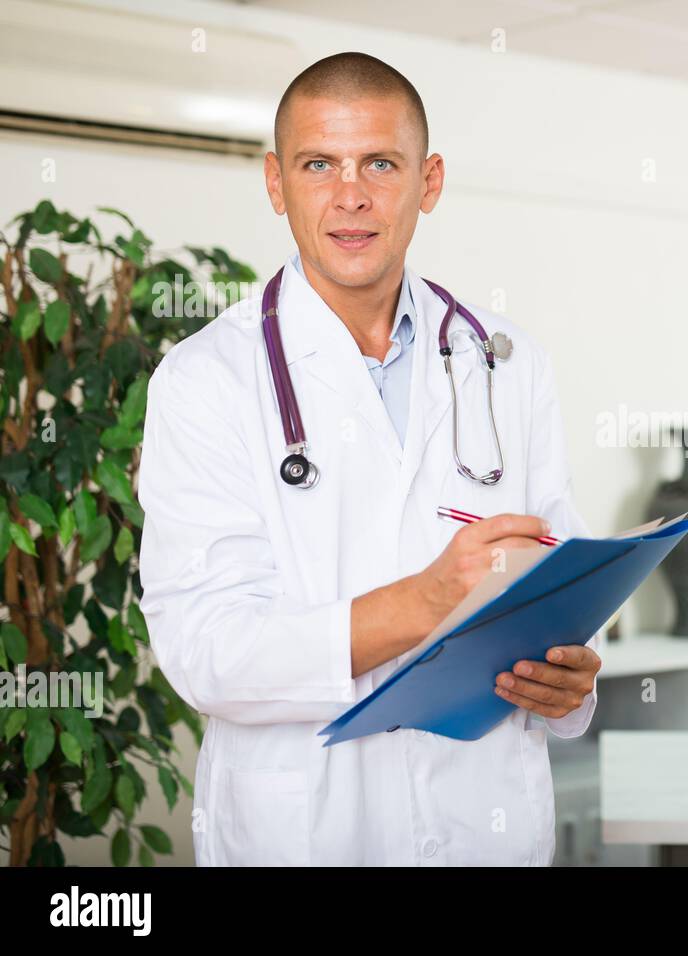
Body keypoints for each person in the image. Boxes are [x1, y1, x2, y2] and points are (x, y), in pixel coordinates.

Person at [138, 52, 600, 866]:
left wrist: (571, 683)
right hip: (304, 829)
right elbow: (207, 651)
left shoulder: (507, 360)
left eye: (379, 163)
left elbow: (559, 576)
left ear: (429, 181)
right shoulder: (204, 379)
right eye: (319, 164)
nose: (350, 195)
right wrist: (420, 604)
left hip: (479, 816)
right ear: (277, 184)